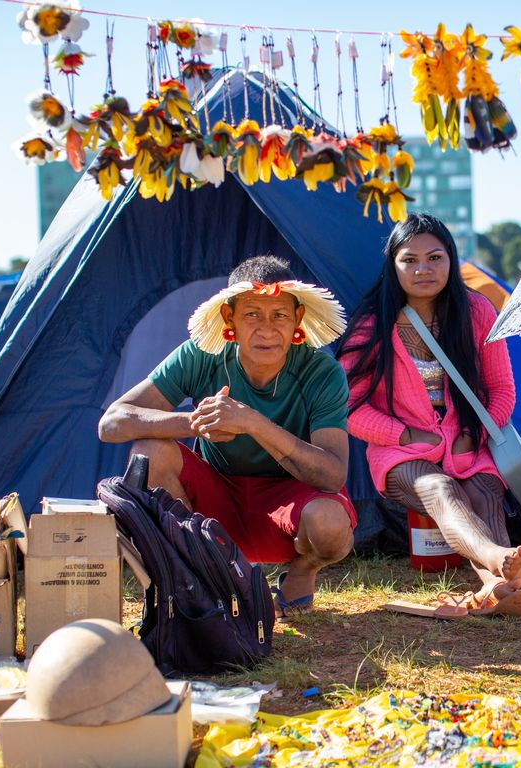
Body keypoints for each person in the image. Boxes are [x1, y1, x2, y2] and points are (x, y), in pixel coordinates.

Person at [98, 255, 356, 619]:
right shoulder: (201, 355)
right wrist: (196, 422)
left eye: (279, 315)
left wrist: (252, 423)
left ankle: (302, 571)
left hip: (290, 499)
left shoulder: (321, 371)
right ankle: (196, 576)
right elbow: (112, 423)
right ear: (229, 318)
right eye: (252, 314)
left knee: (329, 524)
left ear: (297, 319)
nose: (267, 329)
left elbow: (332, 476)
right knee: (149, 451)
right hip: (215, 503)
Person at [338, 213, 521, 616]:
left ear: (451, 259)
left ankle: (500, 586)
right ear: (393, 265)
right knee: (440, 490)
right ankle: (499, 559)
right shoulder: (372, 324)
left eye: (435, 257)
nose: (423, 269)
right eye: (410, 260)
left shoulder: (477, 311)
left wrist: (473, 435)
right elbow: (350, 407)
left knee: (485, 491)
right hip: (402, 452)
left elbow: (501, 391)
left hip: (467, 440)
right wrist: (405, 436)